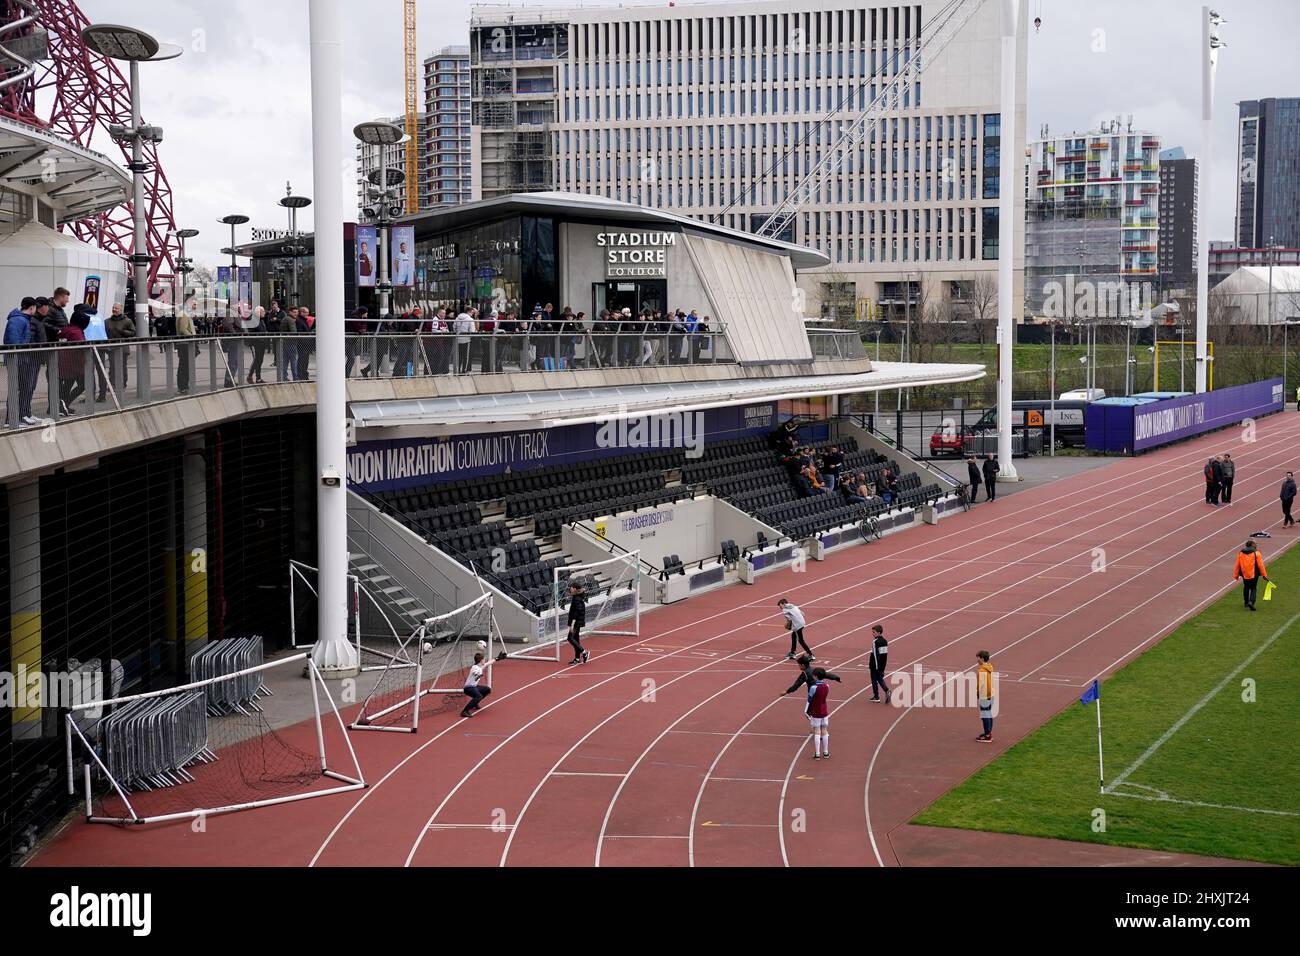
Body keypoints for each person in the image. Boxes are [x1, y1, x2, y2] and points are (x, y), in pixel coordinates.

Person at [5, 297, 40, 425]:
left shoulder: (22, 320)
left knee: (20, 387)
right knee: (16, 388)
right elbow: (14, 341)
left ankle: (18, 416)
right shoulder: (18, 320)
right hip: (17, 359)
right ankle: (11, 419)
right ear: (31, 308)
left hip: (21, 359)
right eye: (35, 308)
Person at [57, 311, 88, 414]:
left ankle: (63, 406)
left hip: (64, 362)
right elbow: (82, 347)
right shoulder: (76, 332)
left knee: (67, 385)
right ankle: (64, 403)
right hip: (75, 363)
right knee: (83, 384)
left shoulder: (65, 329)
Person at [105, 303, 135, 391]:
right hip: (112, 348)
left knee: (122, 367)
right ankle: (112, 385)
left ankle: (123, 384)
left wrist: (123, 332)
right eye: (113, 308)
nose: (114, 309)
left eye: (116, 308)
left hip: (123, 348)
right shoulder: (107, 321)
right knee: (112, 367)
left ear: (121, 310)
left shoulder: (127, 321)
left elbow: (133, 332)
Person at [1233, 540, 1269, 611]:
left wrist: (1236, 575)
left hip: (1244, 573)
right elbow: (1260, 565)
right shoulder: (1256, 553)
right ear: (1252, 545)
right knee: (1253, 588)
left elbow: (1238, 564)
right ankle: (1251, 602)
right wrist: (1264, 575)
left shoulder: (1241, 553)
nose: (1256, 545)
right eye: (1255, 544)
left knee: (1246, 587)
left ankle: (1246, 602)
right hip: (1254, 574)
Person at [806, 668, 832, 760]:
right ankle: (826, 752)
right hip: (824, 710)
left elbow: (809, 700)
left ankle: (817, 753)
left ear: (816, 676)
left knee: (817, 730)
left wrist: (806, 711)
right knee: (824, 730)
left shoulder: (814, 687)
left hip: (816, 711)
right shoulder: (827, 686)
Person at [459, 652, 492, 718]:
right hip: (468, 688)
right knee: (479, 696)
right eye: (484, 659)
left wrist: (498, 658)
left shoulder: (480, 666)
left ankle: (475, 703)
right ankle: (464, 711)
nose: (485, 660)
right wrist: (478, 674)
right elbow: (475, 672)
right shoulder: (475, 667)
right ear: (481, 660)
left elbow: (489, 663)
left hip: (474, 687)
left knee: (487, 689)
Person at [566, 582, 589, 664]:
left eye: (571, 587)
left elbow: (576, 613)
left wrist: (572, 624)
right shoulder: (577, 597)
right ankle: (577, 658)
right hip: (577, 621)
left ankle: (584, 652)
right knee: (576, 639)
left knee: (570, 638)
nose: (570, 589)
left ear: (575, 589)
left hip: (576, 622)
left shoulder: (577, 599)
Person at [975, 650, 995, 742]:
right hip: (991, 694)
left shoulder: (982, 670)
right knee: (988, 713)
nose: (977, 660)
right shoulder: (989, 667)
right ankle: (989, 732)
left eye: (978, 658)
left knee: (984, 715)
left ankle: (987, 735)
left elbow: (982, 685)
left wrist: (979, 695)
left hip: (985, 695)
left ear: (982, 658)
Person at [868, 624, 892, 703]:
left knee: (874, 680)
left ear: (878, 632)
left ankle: (876, 696)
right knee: (880, 678)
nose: (872, 634)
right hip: (882, 664)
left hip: (875, 665)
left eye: (874, 632)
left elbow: (875, 655)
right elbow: (885, 655)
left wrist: (876, 666)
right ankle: (886, 690)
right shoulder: (885, 641)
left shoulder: (875, 642)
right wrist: (882, 666)